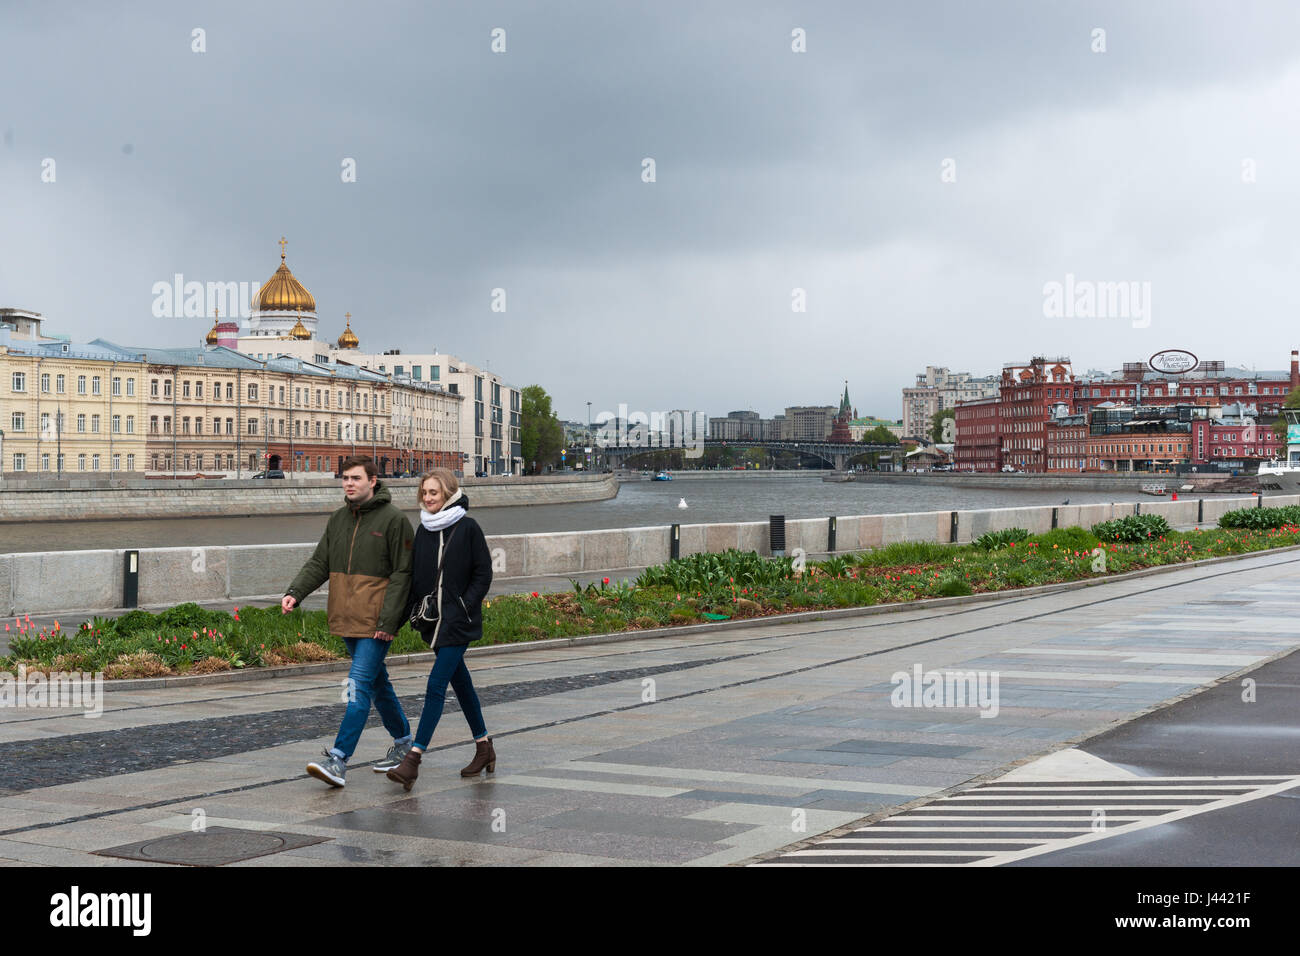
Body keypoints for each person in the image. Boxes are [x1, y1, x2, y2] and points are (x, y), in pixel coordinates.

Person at [282, 455, 416, 788]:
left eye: (356, 478)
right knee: (378, 685)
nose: (349, 484)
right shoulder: (338, 519)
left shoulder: (395, 520)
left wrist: (389, 620)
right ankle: (404, 745)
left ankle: (339, 759)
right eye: (345, 478)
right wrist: (295, 593)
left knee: (356, 687)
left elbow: (403, 575)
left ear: (373, 480)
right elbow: (320, 562)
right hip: (346, 619)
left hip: (375, 623)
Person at [386, 468, 494, 790]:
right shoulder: (424, 530)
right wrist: (394, 622)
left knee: (435, 685)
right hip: (434, 625)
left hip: (459, 624)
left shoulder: (468, 528)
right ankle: (484, 747)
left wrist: (464, 606)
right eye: (425, 493)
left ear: (448, 493)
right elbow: (416, 582)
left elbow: (483, 573)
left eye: (434, 492)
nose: (428, 498)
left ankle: (413, 760)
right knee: (461, 685)